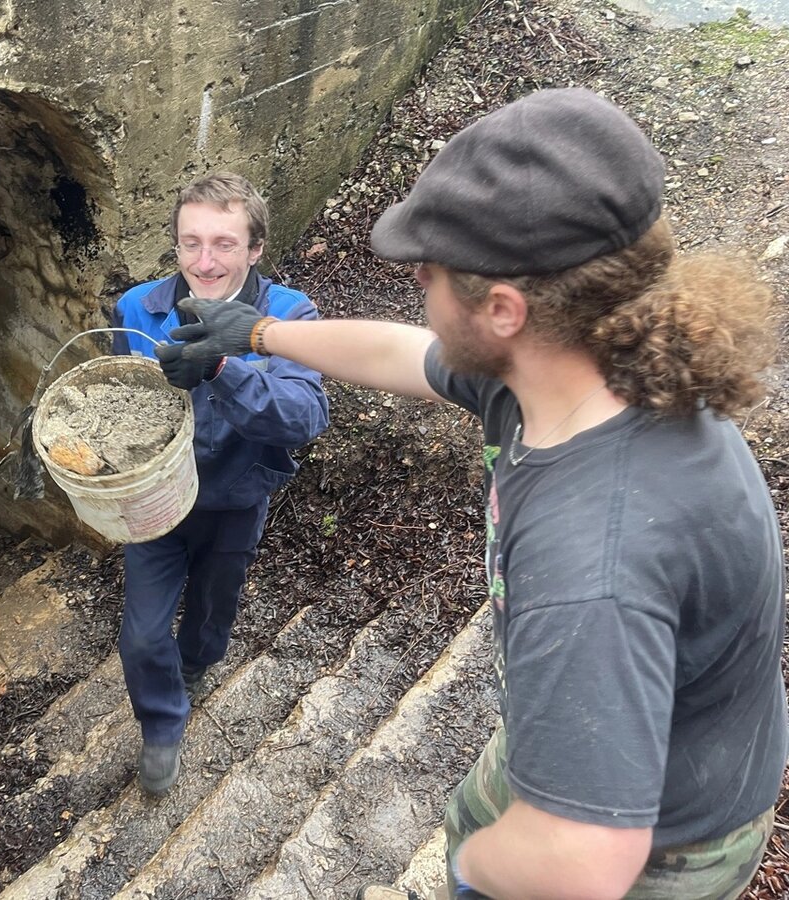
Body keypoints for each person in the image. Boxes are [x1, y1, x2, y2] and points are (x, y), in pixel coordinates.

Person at [171, 90, 787, 899]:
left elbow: (582, 861)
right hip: (656, 745)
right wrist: (256, 333)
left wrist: (468, 865)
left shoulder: (593, 557)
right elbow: (405, 351)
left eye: (432, 269)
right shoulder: (576, 367)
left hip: (658, 850)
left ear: (504, 309)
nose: (416, 275)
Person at [109, 171, 330, 795]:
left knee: (213, 604)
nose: (204, 263)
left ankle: (199, 663)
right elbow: (120, 395)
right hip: (153, 498)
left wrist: (225, 367)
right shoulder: (138, 307)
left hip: (236, 494)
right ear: (175, 244)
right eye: (190, 243)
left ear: (256, 249)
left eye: (225, 244)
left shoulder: (287, 315)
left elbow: (305, 416)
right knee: (144, 632)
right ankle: (161, 723)